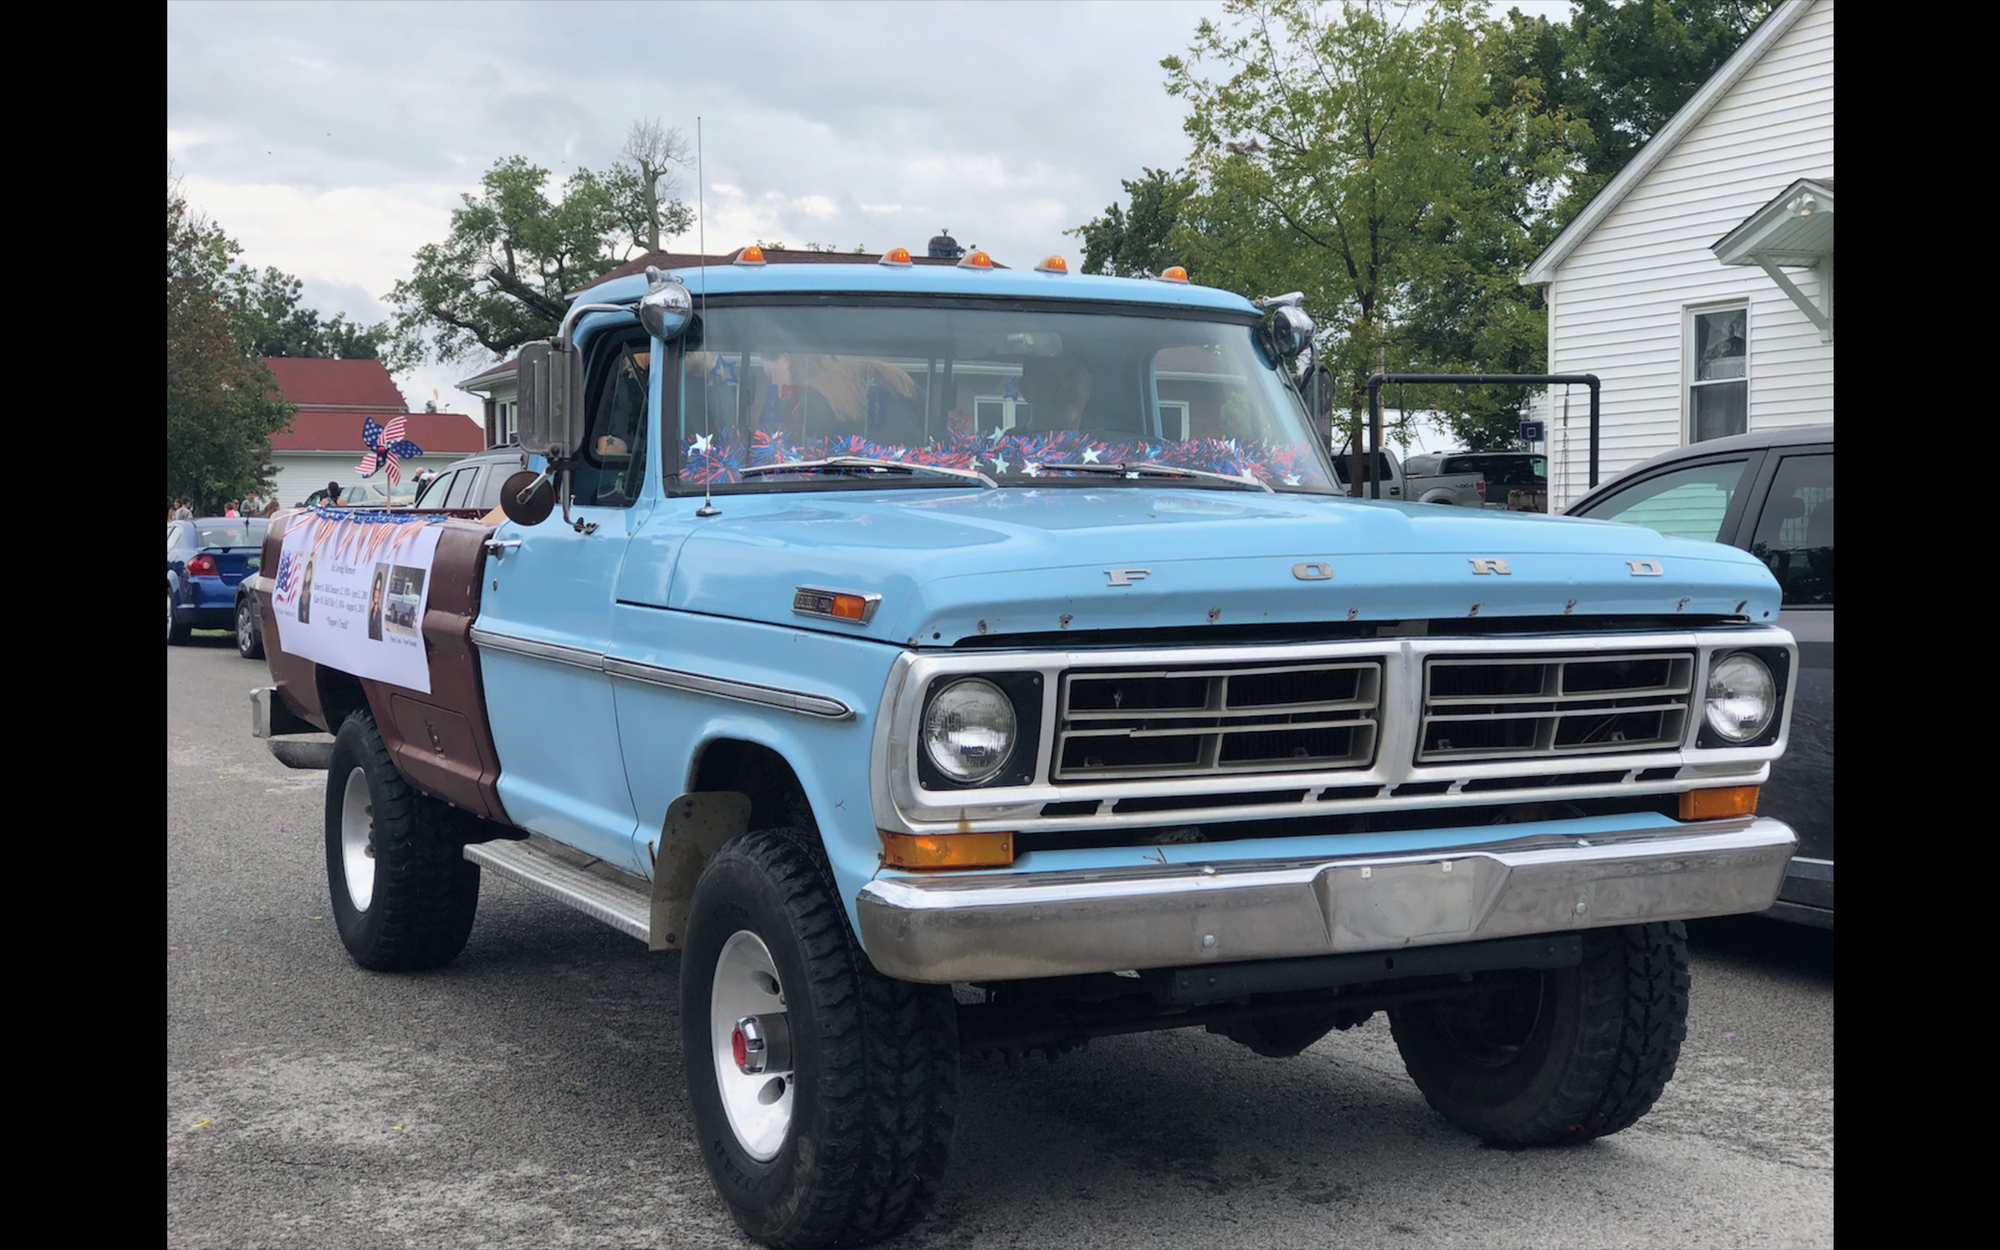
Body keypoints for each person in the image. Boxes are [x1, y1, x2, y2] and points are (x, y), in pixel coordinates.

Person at [1018, 347, 1096, 431]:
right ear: (1025, 388)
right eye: (1049, 377)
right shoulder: (1009, 440)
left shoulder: (1105, 439)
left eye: (1071, 375)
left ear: (1088, 386)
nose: (1062, 385)